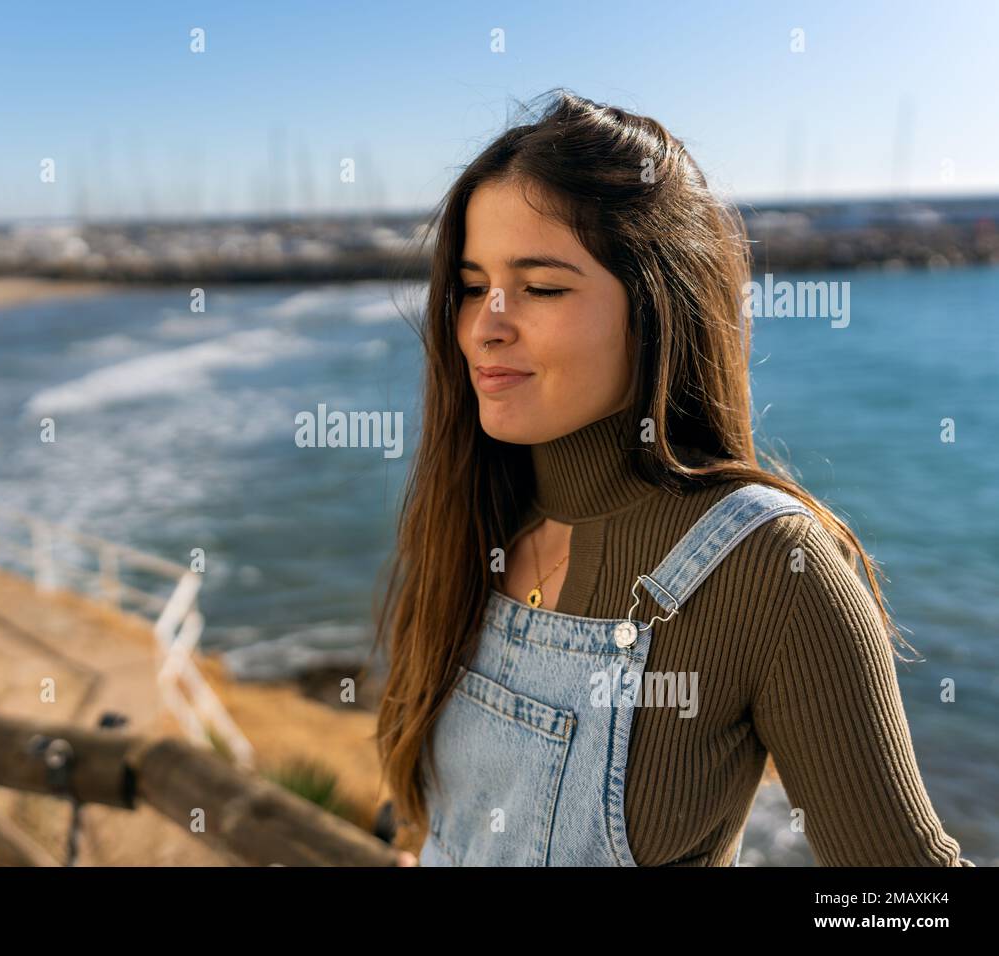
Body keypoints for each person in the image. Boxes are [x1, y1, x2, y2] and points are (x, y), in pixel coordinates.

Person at [373, 89, 973, 867]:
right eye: (472, 283)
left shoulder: (772, 570)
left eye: (542, 286)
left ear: (658, 307)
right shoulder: (475, 522)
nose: (487, 322)